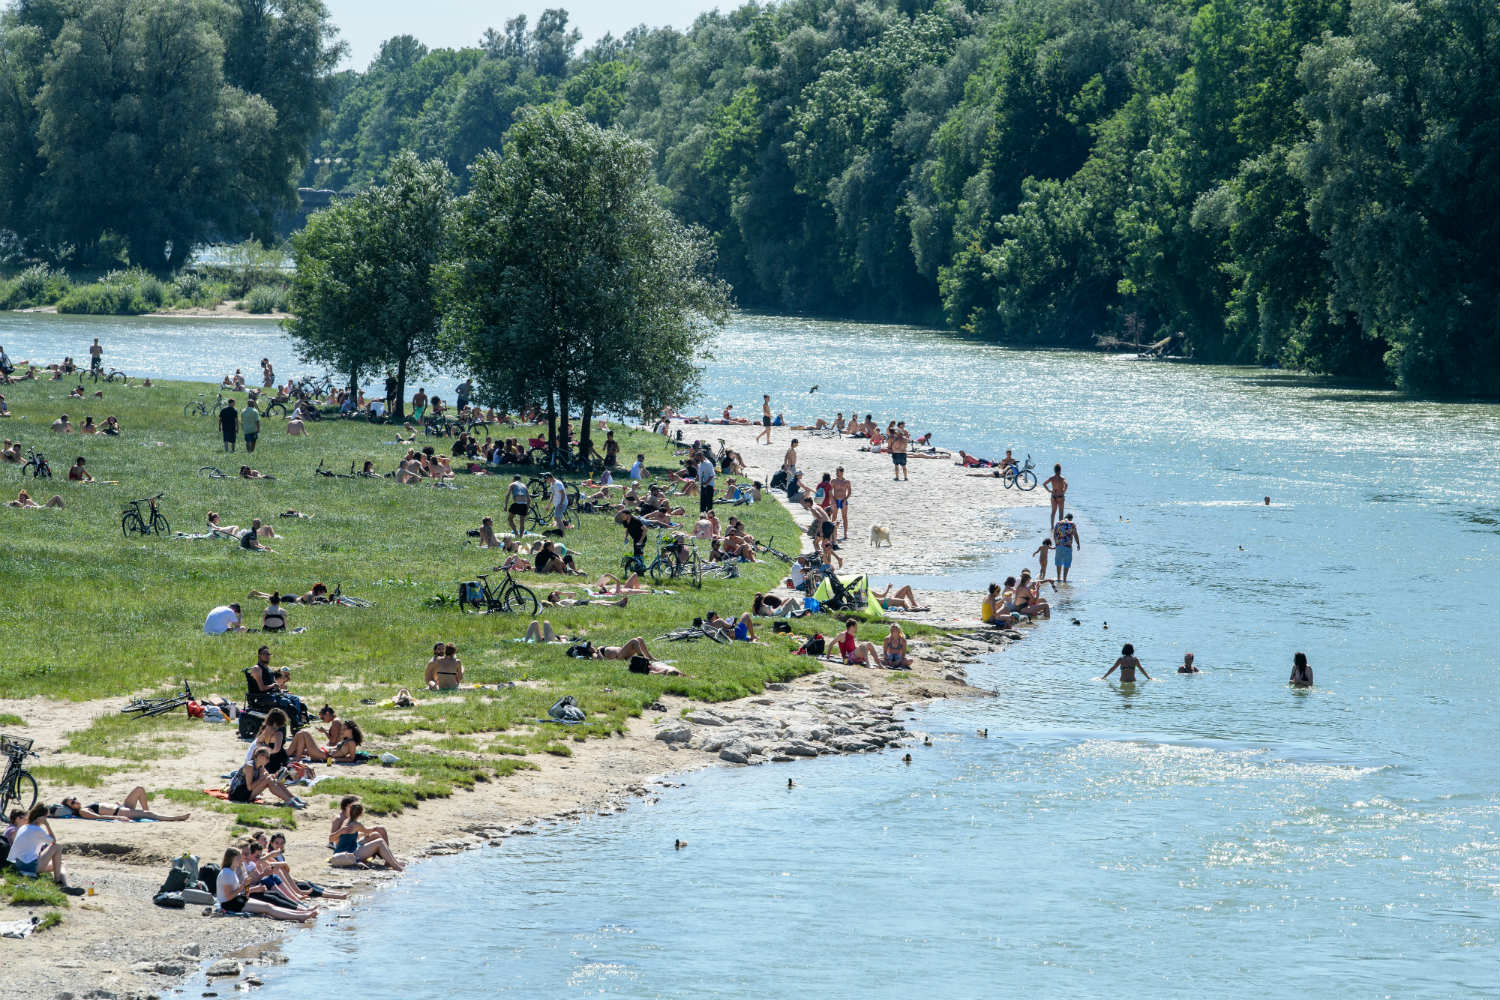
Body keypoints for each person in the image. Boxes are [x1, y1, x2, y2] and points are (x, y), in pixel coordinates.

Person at [216, 846, 314, 920]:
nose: (240, 860)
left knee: (269, 905)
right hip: (230, 904)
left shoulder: (231, 871)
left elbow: (243, 892)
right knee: (268, 908)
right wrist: (243, 886)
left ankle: (300, 914)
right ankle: (300, 916)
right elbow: (228, 897)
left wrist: (246, 886)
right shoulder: (227, 873)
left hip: (238, 899)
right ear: (231, 859)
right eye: (238, 858)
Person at [6, 804, 83, 894]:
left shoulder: (23, 827)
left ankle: (62, 883)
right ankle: (60, 882)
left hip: (19, 864)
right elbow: (53, 841)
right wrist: (47, 825)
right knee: (57, 847)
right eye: (46, 817)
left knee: (60, 863)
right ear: (40, 818)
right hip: (29, 866)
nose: (46, 819)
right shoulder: (36, 829)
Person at [330, 803, 403, 870]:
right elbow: (367, 831)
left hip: (342, 850)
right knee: (380, 842)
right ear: (361, 814)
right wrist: (376, 828)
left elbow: (347, 836)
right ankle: (396, 866)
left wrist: (341, 831)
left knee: (376, 835)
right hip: (351, 853)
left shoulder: (346, 821)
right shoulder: (357, 825)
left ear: (350, 812)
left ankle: (392, 862)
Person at [50, 787, 190, 822]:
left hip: (122, 807)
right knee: (148, 814)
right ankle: (175, 818)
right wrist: (117, 817)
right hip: (121, 812)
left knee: (139, 789)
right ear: (71, 807)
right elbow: (99, 817)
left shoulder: (85, 806)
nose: (76, 801)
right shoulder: (82, 812)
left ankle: (149, 815)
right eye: (73, 802)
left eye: (75, 798)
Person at [227, 746, 306, 808]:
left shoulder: (260, 765)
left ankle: (292, 798)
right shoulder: (249, 766)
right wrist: (262, 778)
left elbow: (268, 777)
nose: (268, 760)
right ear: (260, 756)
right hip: (237, 795)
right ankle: (289, 801)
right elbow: (249, 787)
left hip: (245, 792)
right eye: (267, 757)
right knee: (268, 780)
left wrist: (274, 776)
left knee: (274, 779)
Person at [1052, 514, 1080, 583]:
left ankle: (1058, 578)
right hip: (1068, 546)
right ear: (1071, 519)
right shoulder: (1072, 524)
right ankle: (1064, 579)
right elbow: (1075, 535)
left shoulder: (1058, 523)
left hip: (1059, 546)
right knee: (1067, 563)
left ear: (1065, 517)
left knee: (1058, 562)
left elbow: (1054, 534)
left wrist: (1056, 543)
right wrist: (1078, 544)